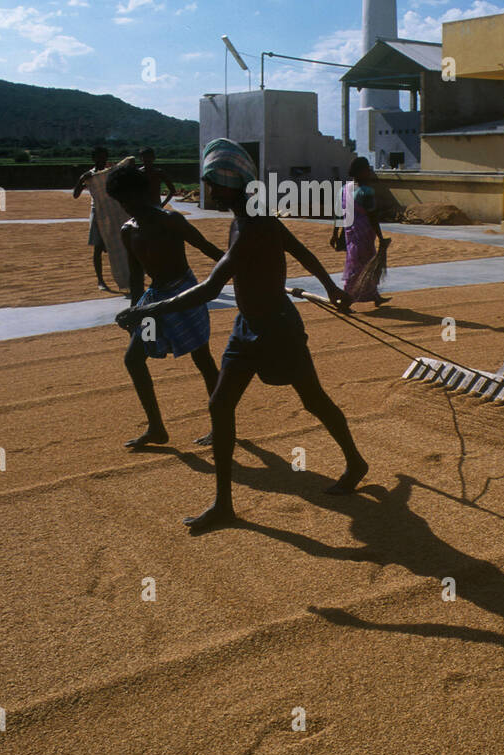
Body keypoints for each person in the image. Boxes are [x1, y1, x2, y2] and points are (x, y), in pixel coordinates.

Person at [117, 137, 368, 532]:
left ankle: (355, 461)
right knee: (220, 407)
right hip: (246, 328)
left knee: (314, 401)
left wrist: (148, 308)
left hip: (279, 330)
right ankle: (223, 506)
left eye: (214, 182)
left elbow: (209, 290)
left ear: (233, 183)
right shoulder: (246, 218)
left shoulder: (254, 225)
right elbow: (301, 252)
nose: (209, 189)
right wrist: (331, 288)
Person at [106, 158, 225, 449]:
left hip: (185, 296)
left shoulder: (171, 220)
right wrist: (136, 311)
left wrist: (243, 267)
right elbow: (136, 276)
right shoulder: (128, 230)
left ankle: (222, 426)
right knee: (134, 359)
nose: (125, 205)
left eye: (127, 199)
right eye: (120, 201)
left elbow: (210, 250)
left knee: (203, 360)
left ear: (141, 193)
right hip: (154, 303)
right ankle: (157, 428)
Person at [342, 155, 390, 306]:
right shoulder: (366, 191)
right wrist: (381, 237)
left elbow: (340, 213)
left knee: (357, 263)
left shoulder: (345, 188)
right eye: (367, 168)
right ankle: (347, 298)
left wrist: (335, 235)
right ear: (361, 171)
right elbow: (372, 215)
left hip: (350, 232)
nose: (369, 171)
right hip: (363, 234)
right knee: (363, 265)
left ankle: (374, 296)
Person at [73, 145, 110, 290]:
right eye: (98, 157)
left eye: (104, 157)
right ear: (93, 159)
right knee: (98, 248)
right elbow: (75, 195)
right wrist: (81, 180)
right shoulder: (89, 175)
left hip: (112, 211)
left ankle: (124, 277)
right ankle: (100, 280)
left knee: (119, 245)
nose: (101, 159)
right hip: (97, 211)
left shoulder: (110, 173)